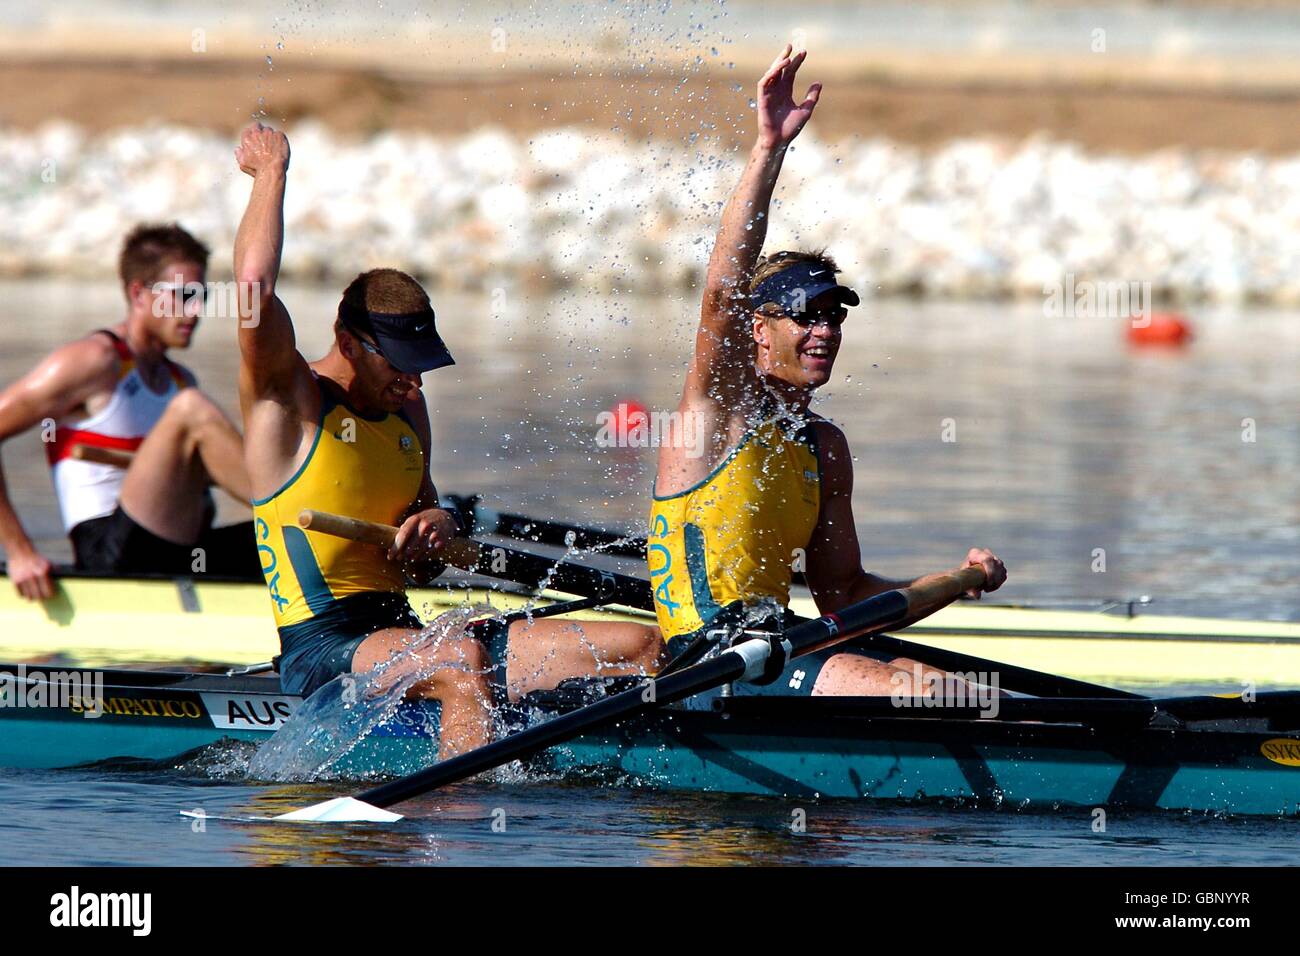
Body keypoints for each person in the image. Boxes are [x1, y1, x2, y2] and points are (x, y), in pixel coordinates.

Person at [231, 123, 663, 758]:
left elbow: (424, 563)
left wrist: (434, 522)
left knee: (641, 645)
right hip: (323, 648)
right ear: (348, 342)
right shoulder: (288, 401)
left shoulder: (409, 411)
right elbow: (250, 297)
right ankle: (464, 831)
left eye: (420, 365)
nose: (412, 381)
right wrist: (272, 176)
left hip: (404, 631)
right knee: (461, 662)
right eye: (397, 364)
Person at [647, 45, 1008, 697]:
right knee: (925, 696)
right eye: (805, 315)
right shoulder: (719, 410)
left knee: (970, 694)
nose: (827, 331)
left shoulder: (825, 449)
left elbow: (844, 593)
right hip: (706, 665)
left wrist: (958, 579)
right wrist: (768, 150)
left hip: (777, 644)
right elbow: (722, 290)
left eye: (834, 316)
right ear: (758, 328)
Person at [0, 223, 256, 600]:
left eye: (202, 296)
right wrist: (20, 551)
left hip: (177, 549)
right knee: (192, 411)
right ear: (139, 294)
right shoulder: (95, 361)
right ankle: (291, 503)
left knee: (294, 540)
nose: (197, 310)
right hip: (110, 554)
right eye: (183, 295)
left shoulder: (180, 379)